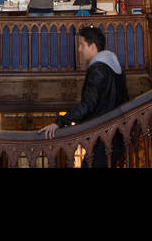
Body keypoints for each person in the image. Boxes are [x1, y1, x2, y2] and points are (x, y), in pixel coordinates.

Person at [38, 26, 128, 167]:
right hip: (115, 135)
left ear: (92, 46)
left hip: (102, 137)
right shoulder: (114, 65)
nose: (79, 49)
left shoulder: (97, 69)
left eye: (81, 45)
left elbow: (88, 104)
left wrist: (60, 122)